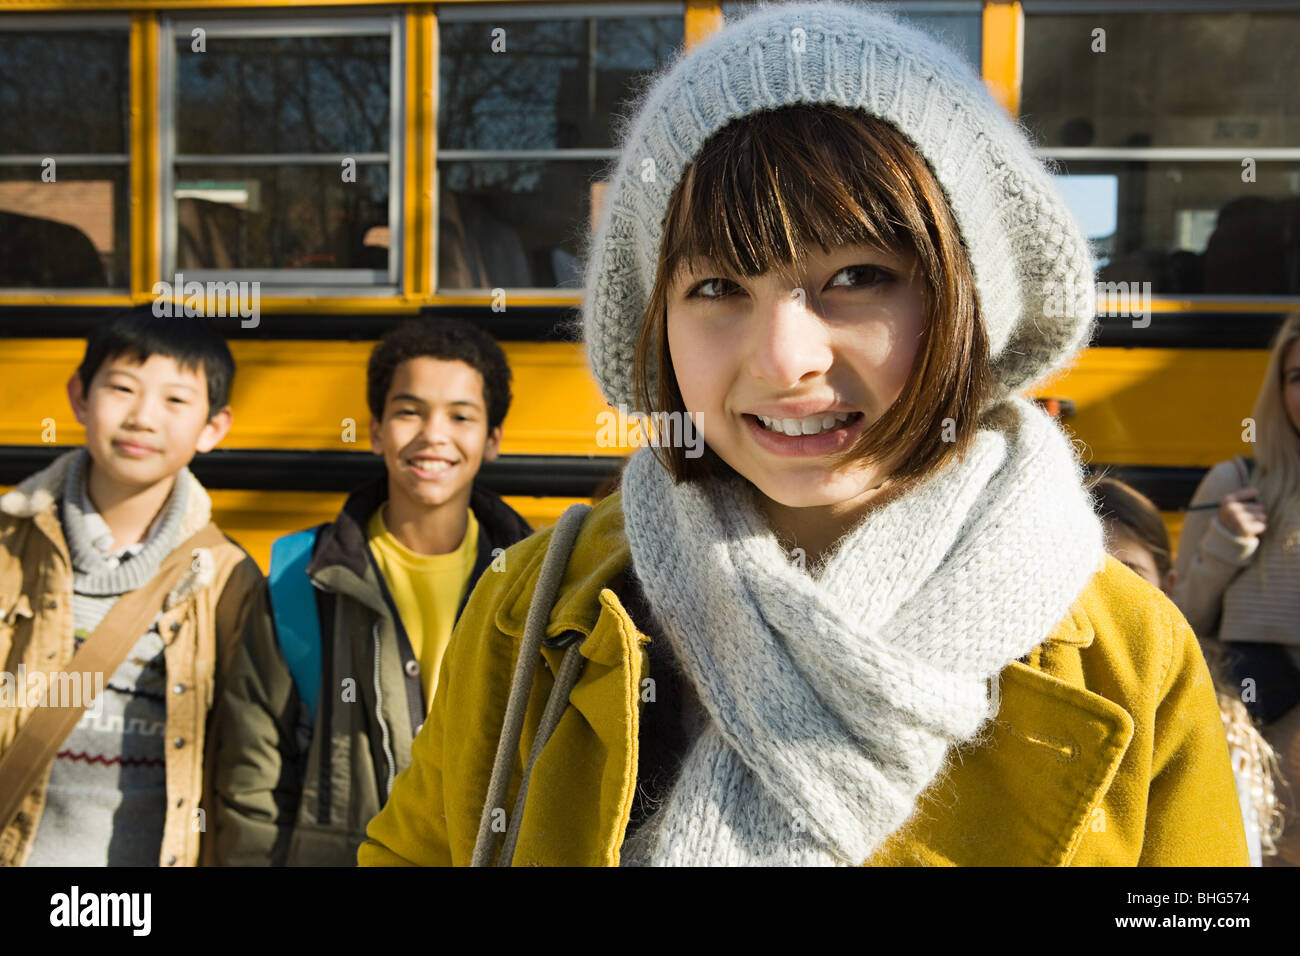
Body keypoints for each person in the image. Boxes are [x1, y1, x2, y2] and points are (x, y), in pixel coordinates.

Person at [359, 3, 1249, 866]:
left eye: (858, 276)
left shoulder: (1127, 654)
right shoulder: (533, 609)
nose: (785, 361)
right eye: (716, 288)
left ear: (968, 302)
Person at [213, 318, 532, 865]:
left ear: (493, 439)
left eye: (461, 416)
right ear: (377, 430)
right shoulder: (302, 579)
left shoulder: (535, 582)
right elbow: (253, 784)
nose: (434, 434)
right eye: (409, 411)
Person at [0, 309, 262, 867]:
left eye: (175, 400)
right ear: (79, 397)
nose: (143, 417)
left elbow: (245, 763)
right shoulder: (7, 548)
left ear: (214, 427)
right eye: (122, 388)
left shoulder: (225, 578)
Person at [1093, 476, 1283, 866]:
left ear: (1169, 590)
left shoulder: (1208, 724)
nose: (1104, 598)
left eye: (1129, 575)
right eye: (1087, 575)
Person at [1172, 311, 1300, 866]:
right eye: (1296, 378)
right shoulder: (1238, 482)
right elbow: (1178, 621)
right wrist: (1225, 542)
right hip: (1259, 713)